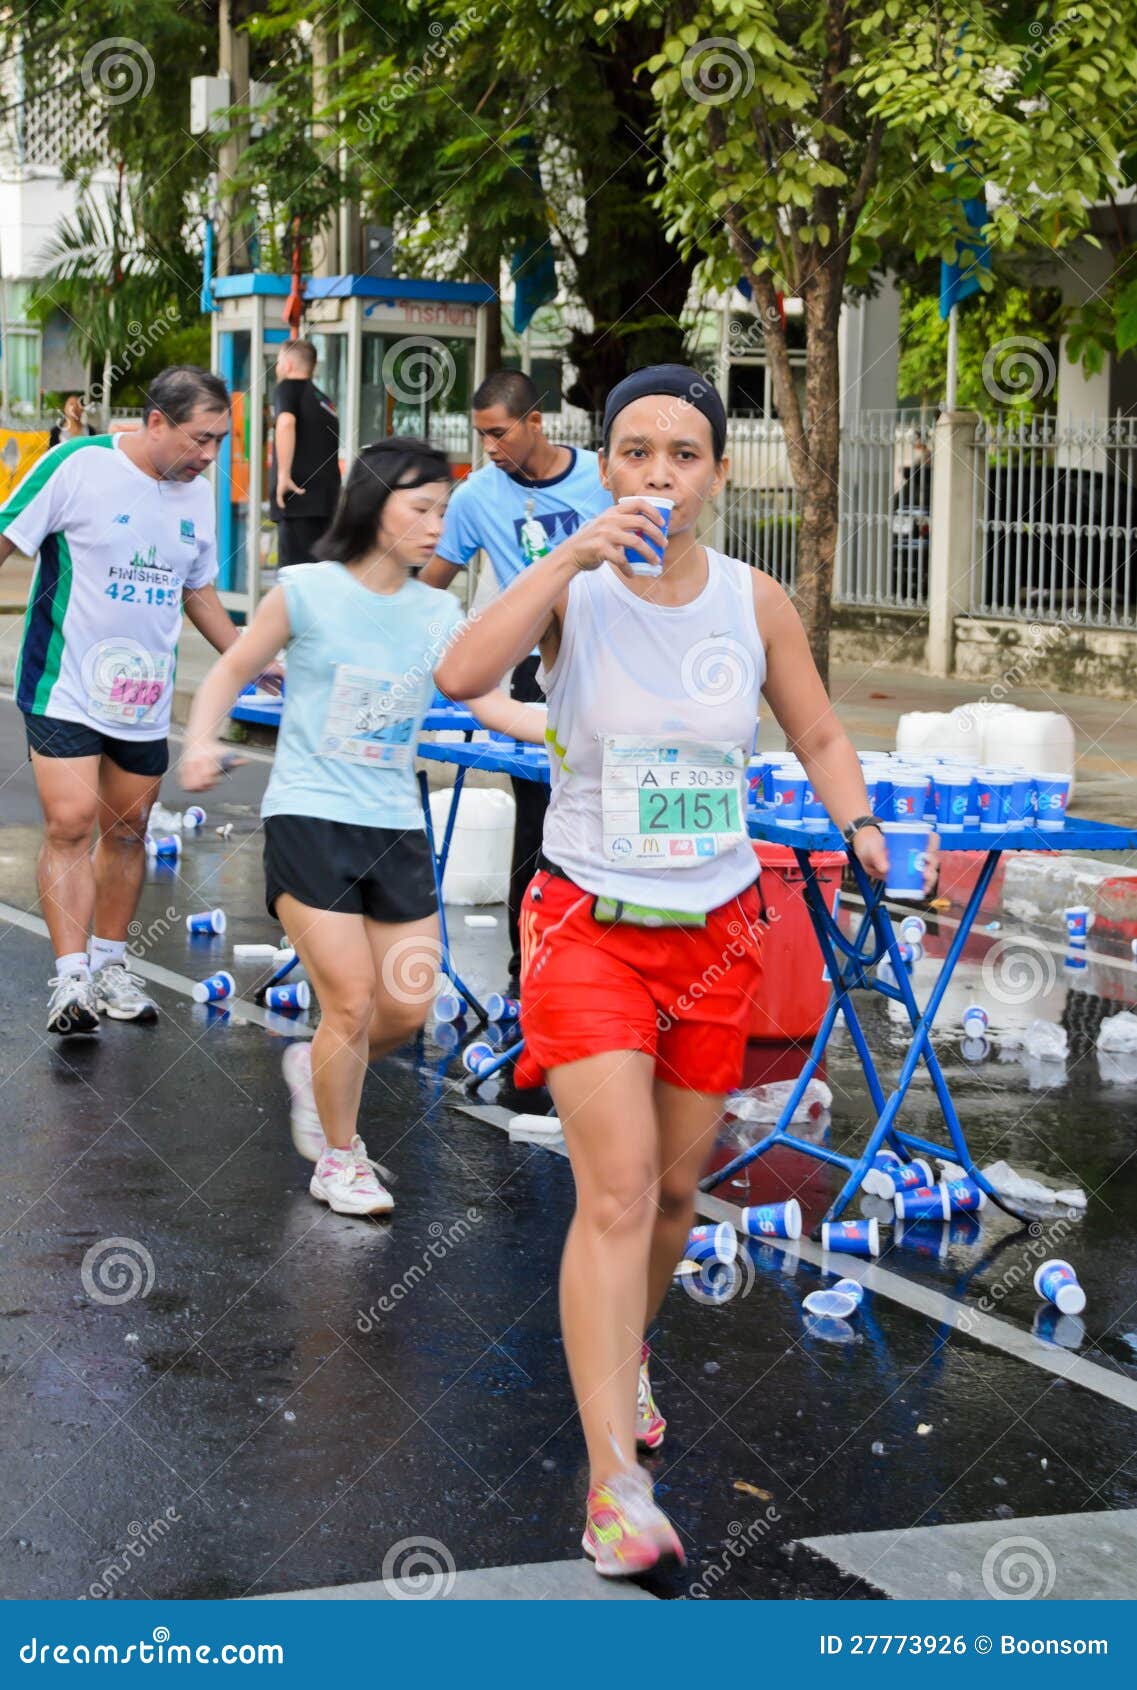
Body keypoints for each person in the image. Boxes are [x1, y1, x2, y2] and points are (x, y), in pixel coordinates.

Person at [435, 364, 942, 1577]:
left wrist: (862, 825)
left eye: (684, 452)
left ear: (718, 472)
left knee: (669, 1202)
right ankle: (615, 1484)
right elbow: (457, 675)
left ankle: (628, 1357)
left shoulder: (754, 602)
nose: (659, 472)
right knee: (612, 1194)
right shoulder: (572, 593)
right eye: (635, 450)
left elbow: (816, 727)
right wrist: (565, 560)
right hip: (588, 927)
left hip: (716, 930)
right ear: (605, 464)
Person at [181, 438, 544, 1218]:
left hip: (393, 825)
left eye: (443, 512)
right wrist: (204, 739)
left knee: (405, 1010)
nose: (434, 525)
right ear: (374, 505)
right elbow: (231, 669)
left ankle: (316, 1071)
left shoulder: (441, 612)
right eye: (420, 508)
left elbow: (488, 702)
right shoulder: (306, 591)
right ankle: (338, 1159)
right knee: (347, 998)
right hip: (310, 815)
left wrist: (567, 725)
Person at [0, 365, 281, 1038]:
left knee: (127, 830)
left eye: (220, 441)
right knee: (70, 824)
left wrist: (252, 661)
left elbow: (199, 592)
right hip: (63, 683)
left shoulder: (196, 492)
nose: (210, 455)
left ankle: (110, 966)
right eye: (201, 438)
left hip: (143, 697)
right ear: (156, 421)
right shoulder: (76, 467)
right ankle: (70, 980)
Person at [419, 370, 611, 997]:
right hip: (537, 668)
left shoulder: (600, 477)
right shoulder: (477, 497)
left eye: (499, 433)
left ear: (536, 421)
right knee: (536, 819)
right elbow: (432, 583)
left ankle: (606, 964)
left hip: (613, 662)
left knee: (611, 813)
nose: (490, 448)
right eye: (481, 436)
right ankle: (526, 972)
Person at [269, 338, 341, 568]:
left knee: (294, 578)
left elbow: (286, 423)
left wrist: (283, 475)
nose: (278, 368)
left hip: (298, 501)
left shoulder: (287, 388)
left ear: (288, 365)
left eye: (279, 362)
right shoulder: (324, 400)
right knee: (320, 575)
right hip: (326, 504)